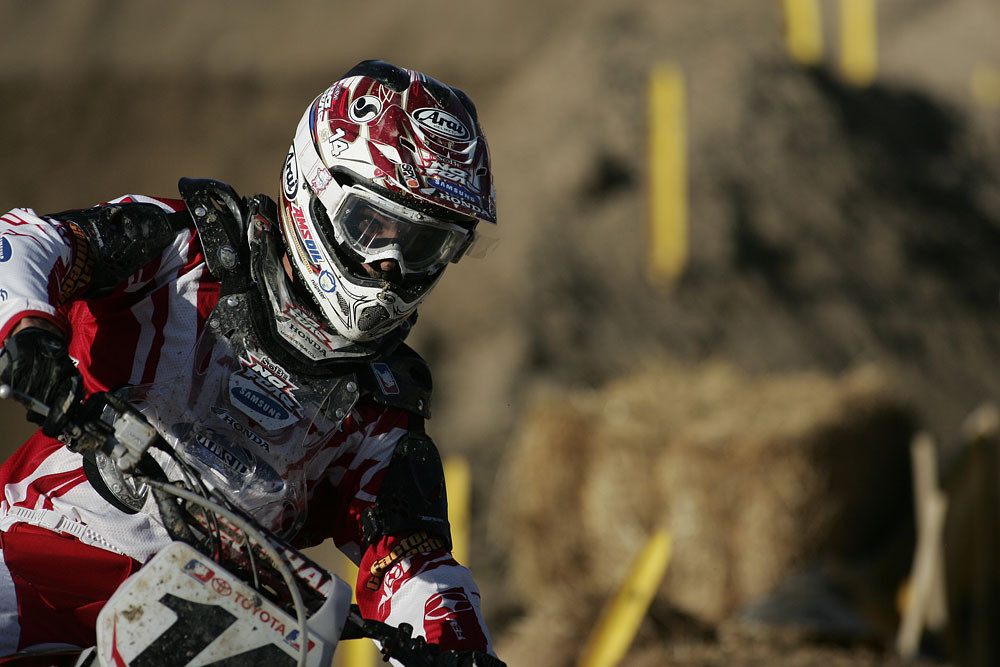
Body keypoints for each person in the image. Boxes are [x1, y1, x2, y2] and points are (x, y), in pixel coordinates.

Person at [0, 60, 501, 664]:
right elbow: (26, 240)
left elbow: (415, 565)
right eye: (373, 227)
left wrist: (461, 650)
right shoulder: (180, 249)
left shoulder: (379, 410)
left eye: (423, 245)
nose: (392, 265)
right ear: (315, 187)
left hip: (192, 633)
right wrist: (27, 330)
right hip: (30, 567)